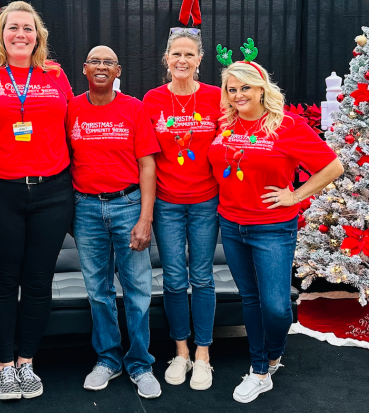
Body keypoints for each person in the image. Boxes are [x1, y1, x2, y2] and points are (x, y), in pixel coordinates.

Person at [0, 1, 75, 401]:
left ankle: (27, 361)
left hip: (53, 192)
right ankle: (4, 365)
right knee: (4, 281)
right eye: (13, 27)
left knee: (39, 282)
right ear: (1, 34)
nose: (21, 34)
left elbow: (73, 121)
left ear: (38, 35)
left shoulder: (54, 74)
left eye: (28, 28)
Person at [207, 60, 343, 404]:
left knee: (277, 307)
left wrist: (295, 195)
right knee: (251, 300)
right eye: (232, 89)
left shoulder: (287, 126)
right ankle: (258, 370)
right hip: (232, 225)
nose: (238, 95)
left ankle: (274, 353)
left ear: (261, 88)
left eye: (245, 87)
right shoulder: (225, 123)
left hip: (272, 228)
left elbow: (333, 166)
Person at [68, 46, 163, 399]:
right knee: (98, 291)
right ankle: (108, 359)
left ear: (118, 70)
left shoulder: (134, 108)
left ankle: (140, 364)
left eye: (108, 62)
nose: (101, 66)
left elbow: (148, 165)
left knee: (138, 291)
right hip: (86, 208)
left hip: (128, 205)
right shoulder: (71, 108)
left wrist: (145, 218)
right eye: (95, 61)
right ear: (84, 68)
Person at [142, 28, 222, 390]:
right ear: (166, 59)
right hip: (168, 202)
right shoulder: (153, 99)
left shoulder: (216, 97)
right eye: (176, 54)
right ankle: (181, 352)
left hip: (206, 200)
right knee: (174, 279)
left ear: (200, 60)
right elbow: (146, 155)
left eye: (189, 54)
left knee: (202, 277)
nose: (182, 60)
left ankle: (203, 355)